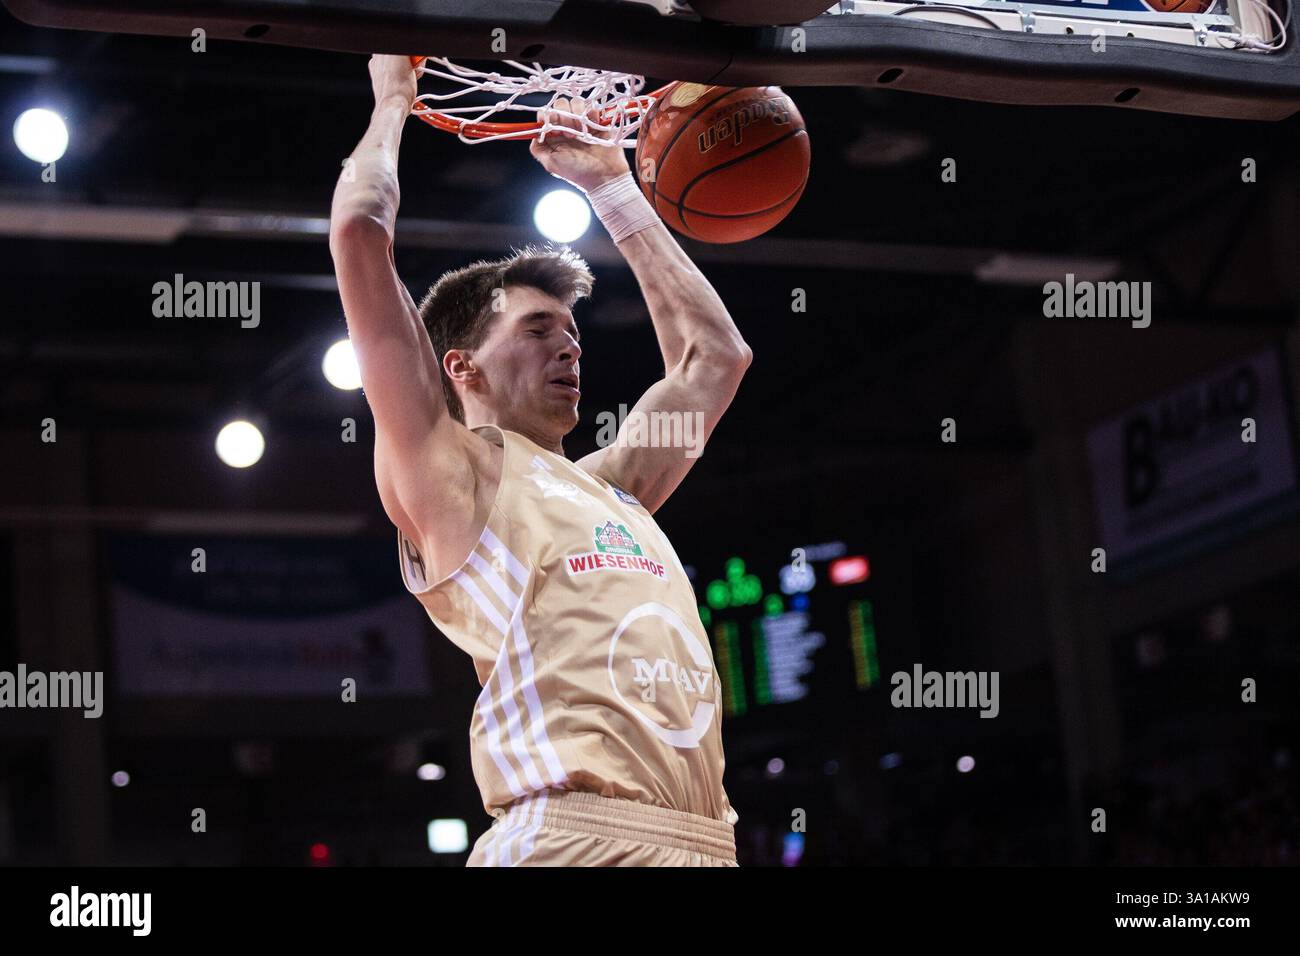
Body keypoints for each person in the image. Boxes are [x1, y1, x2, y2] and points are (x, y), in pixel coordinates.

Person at [329, 54, 752, 866]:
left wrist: (613, 188)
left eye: (574, 334)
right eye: (536, 331)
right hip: (566, 839)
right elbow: (358, 231)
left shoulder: (615, 491)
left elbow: (715, 360)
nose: (569, 347)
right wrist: (392, 98)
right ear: (463, 368)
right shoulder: (448, 474)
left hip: (703, 842)